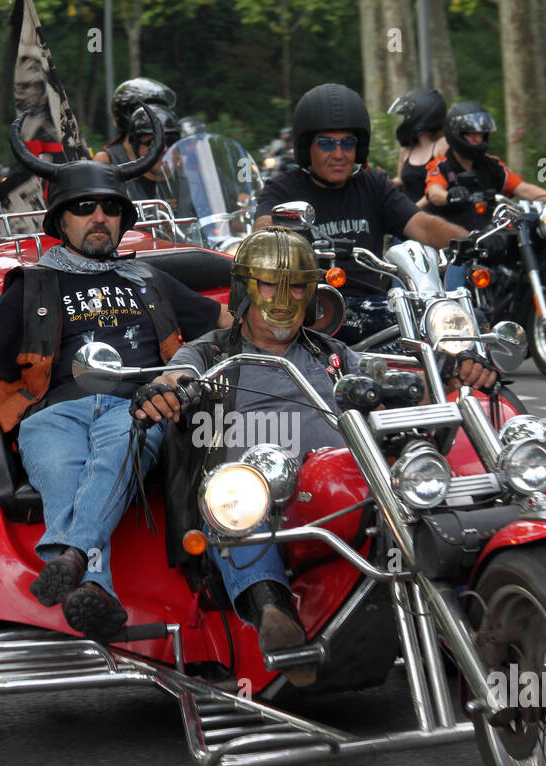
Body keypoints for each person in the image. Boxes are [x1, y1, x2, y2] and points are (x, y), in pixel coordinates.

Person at [131, 228, 498, 686]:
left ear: (312, 292)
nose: (283, 297)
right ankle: (274, 613)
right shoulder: (208, 352)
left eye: (298, 286)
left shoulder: (333, 353)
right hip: (260, 497)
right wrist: (166, 393)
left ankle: (476, 614)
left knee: (428, 480)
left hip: (344, 488)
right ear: (245, 288)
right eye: (269, 284)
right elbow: (177, 378)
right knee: (234, 505)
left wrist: (454, 371)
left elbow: (393, 380)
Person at [0, 146, 230, 639]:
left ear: (124, 220)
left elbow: (231, 326)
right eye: (84, 207)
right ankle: (93, 586)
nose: (98, 218)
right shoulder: (30, 287)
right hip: (53, 412)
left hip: (137, 404)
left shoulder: (149, 279)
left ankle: (74, 557)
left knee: (116, 448)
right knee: (60, 468)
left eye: (111, 208)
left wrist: (289, 319)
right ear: (62, 219)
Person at [254, 83, 469, 344]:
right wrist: (273, 236)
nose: (339, 154)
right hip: (310, 308)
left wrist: (472, 241)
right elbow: (264, 227)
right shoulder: (284, 188)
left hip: (372, 307)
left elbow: (422, 225)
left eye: (348, 143)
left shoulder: (372, 185)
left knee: (459, 327)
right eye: (326, 144)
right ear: (306, 147)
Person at [423, 100, 546, 289]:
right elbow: (434, 192)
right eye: (471, 135)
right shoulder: (441, 166)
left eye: (481, 134)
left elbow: (523, 188)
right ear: (456, 135)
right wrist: (450, 196)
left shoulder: (493, 166)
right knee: (460, 261)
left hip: (492, 233)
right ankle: (456, 307)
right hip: (460, 239)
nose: (478, 139)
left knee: (539, 247)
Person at [388, 88, 447, 209]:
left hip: (435, 217)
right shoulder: (406, 150)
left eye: (406, 117)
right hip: (411, 215)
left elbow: (441, 185)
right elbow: (401, 180)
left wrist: (412, 210)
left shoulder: (442, 145)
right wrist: (389, 182)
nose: (403, 121)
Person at [94, 77, 177, 163]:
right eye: (145, 109)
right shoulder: (107, 159)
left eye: (158, 108)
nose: (153, 114)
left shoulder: (171, 152)